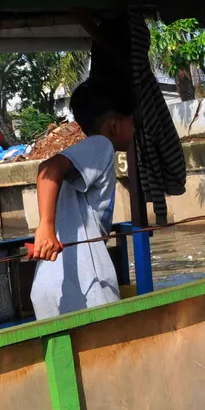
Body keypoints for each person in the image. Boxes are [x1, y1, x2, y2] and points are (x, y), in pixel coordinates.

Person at [28, 80, 135, 319]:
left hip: (49, 287)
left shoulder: (83, 156)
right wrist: (45, 227)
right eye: (132, 121)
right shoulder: (101, 145)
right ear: (115, 125)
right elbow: (49, 168)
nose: (135, 129)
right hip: (85, 289)